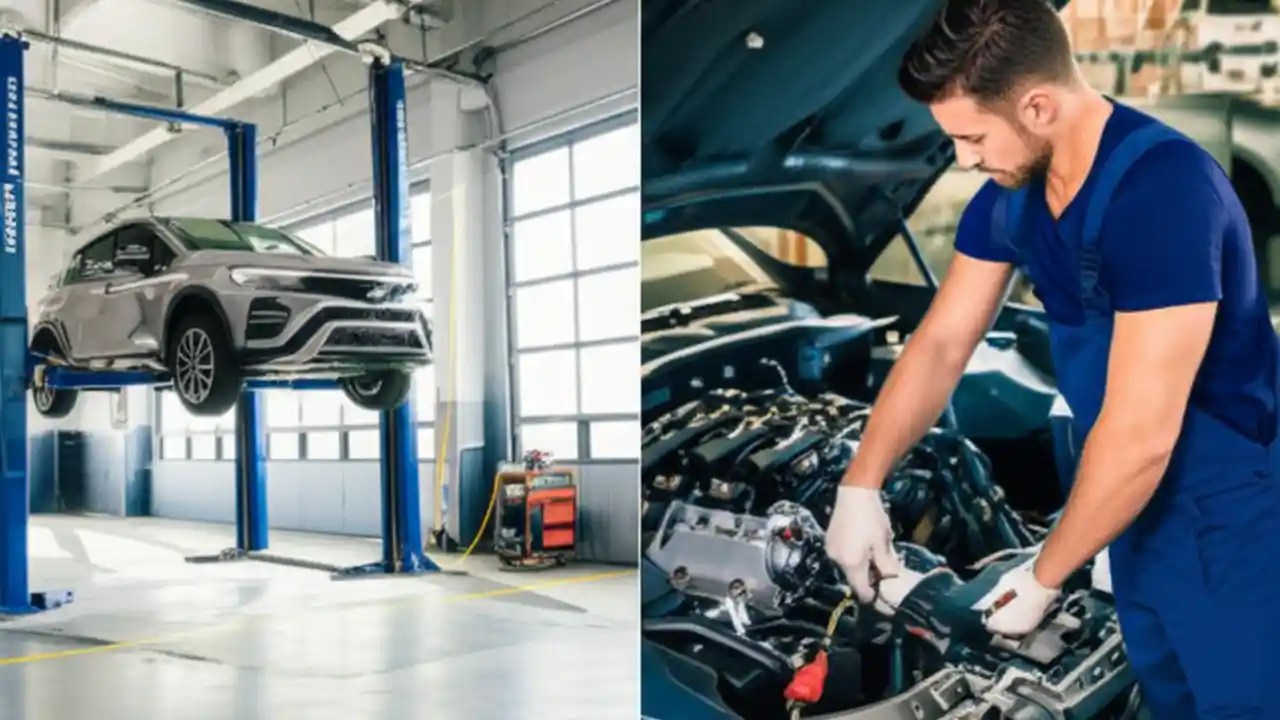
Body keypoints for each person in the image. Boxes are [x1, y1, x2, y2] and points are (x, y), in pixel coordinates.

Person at [823, 0, 1280, 716]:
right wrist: (862, 483)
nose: (965, 159)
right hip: (1132, 515)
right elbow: (942, 343)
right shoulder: (1016, 195)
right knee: (1169, 699)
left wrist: (1045, 575)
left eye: (972, 137)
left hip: (1232, 518)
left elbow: (1139, 439)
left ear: (1037, 106)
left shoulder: (1164, 195)